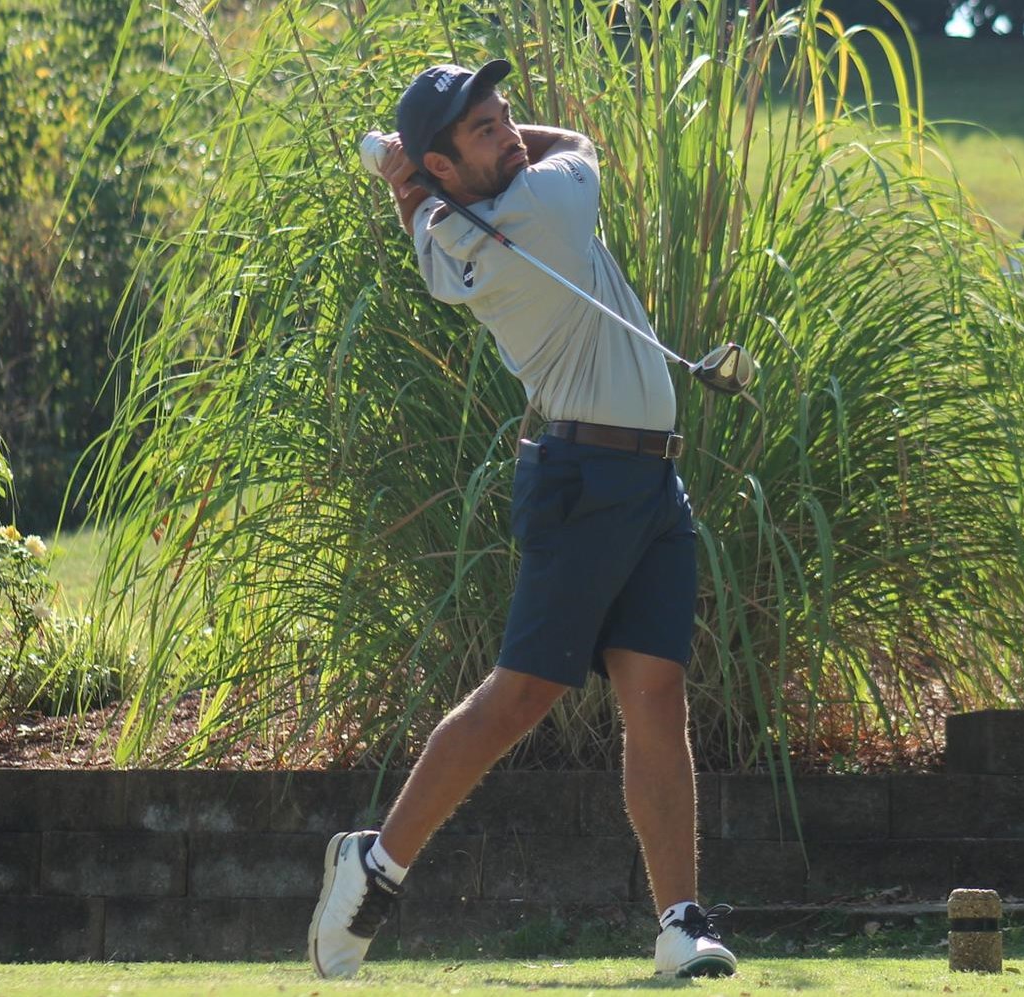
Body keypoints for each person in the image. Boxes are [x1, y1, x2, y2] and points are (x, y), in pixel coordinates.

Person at [307, 60, 738, 981]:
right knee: (518, 697)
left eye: (506, 118)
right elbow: (582, 147)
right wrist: (446, 169)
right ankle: (373, 867)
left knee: (656, 693)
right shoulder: (547, 202)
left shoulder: (442, 231)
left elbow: (424, 228)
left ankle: (679, 922)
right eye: (486, 129)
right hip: (587, 480)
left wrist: (416, 181)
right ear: (445, 162)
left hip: (645, 484)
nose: (510, 134)